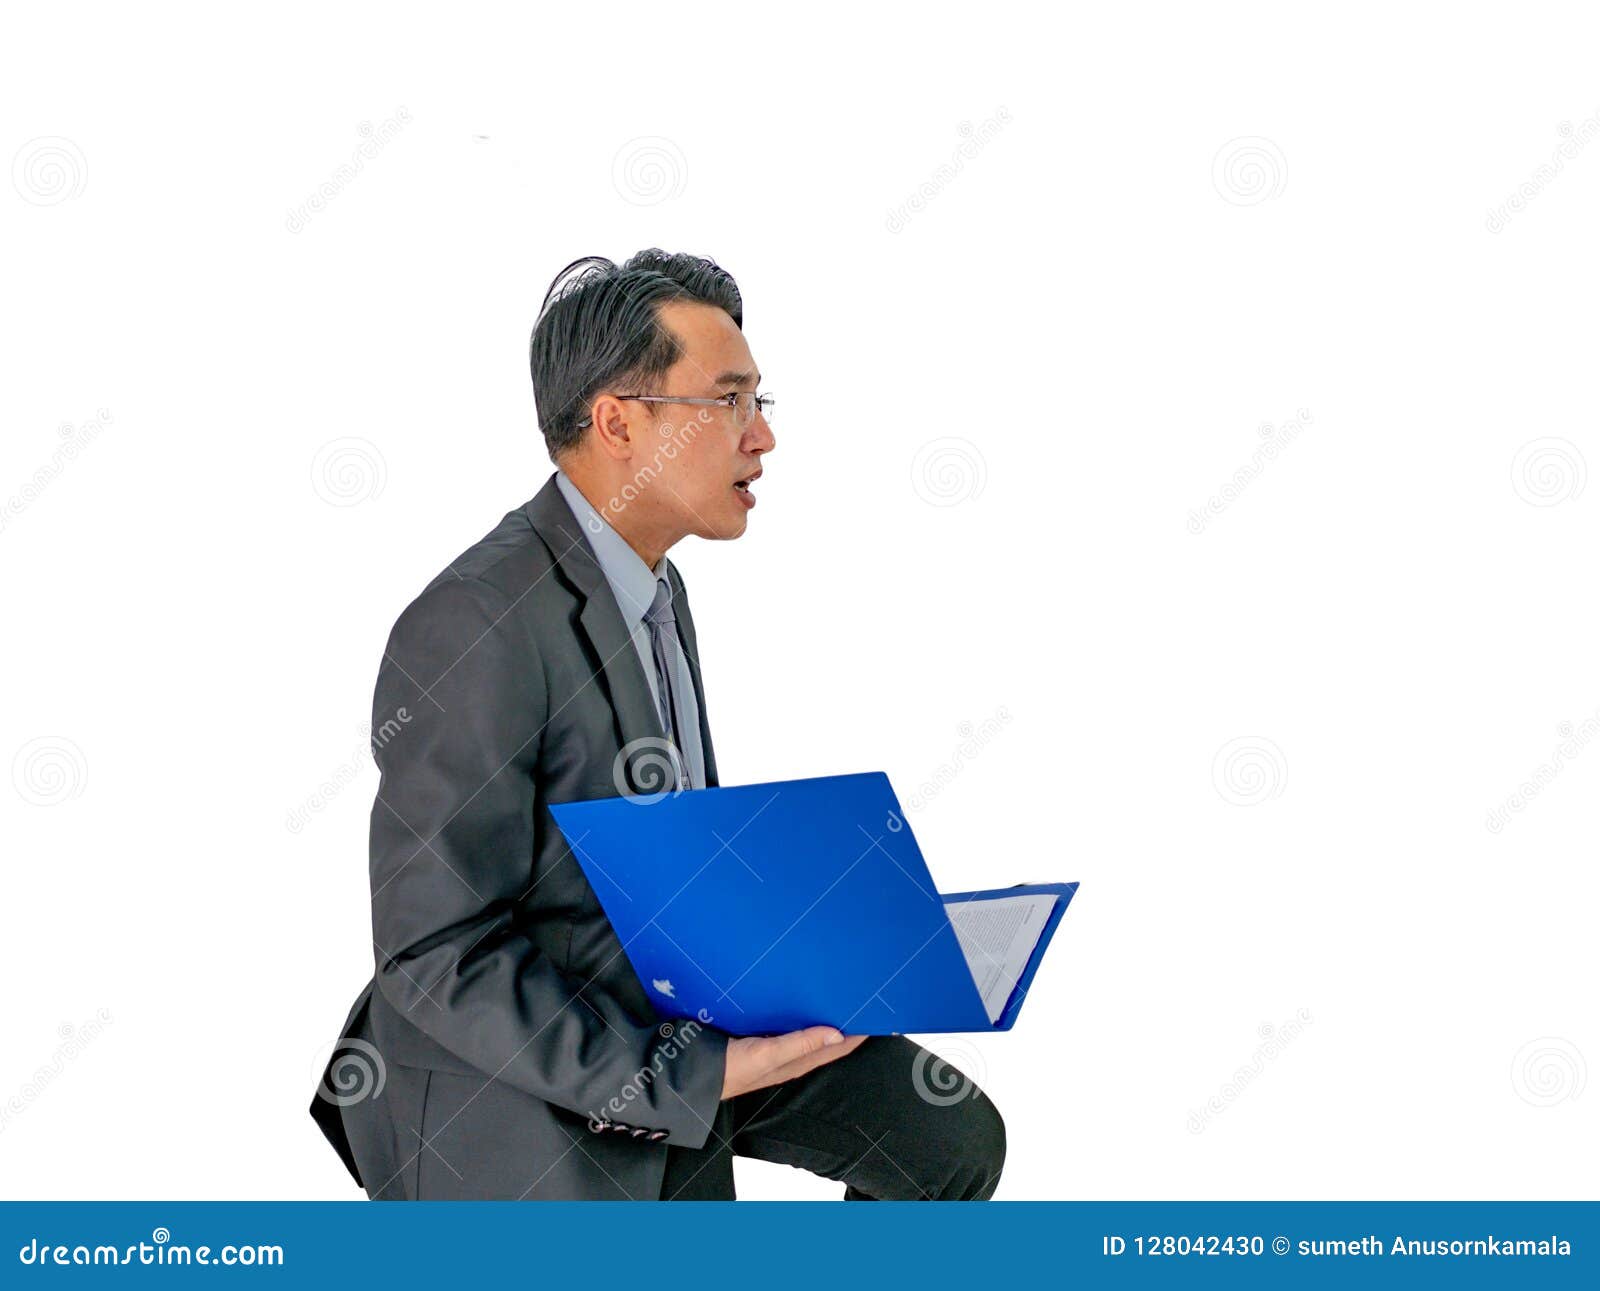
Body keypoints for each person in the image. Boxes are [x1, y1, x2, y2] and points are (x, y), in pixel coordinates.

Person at [309, 249, 1005, 1200]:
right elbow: (432, 954)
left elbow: (662, 852)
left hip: (669, 1000)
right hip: (532, 1060)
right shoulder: (476, 622)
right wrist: (690, 1076)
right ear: (619, 422)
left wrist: (835, 953)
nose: (761, 436)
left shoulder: (656, 587)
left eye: (763, 401)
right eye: (728, 402)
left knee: (945, 1137)